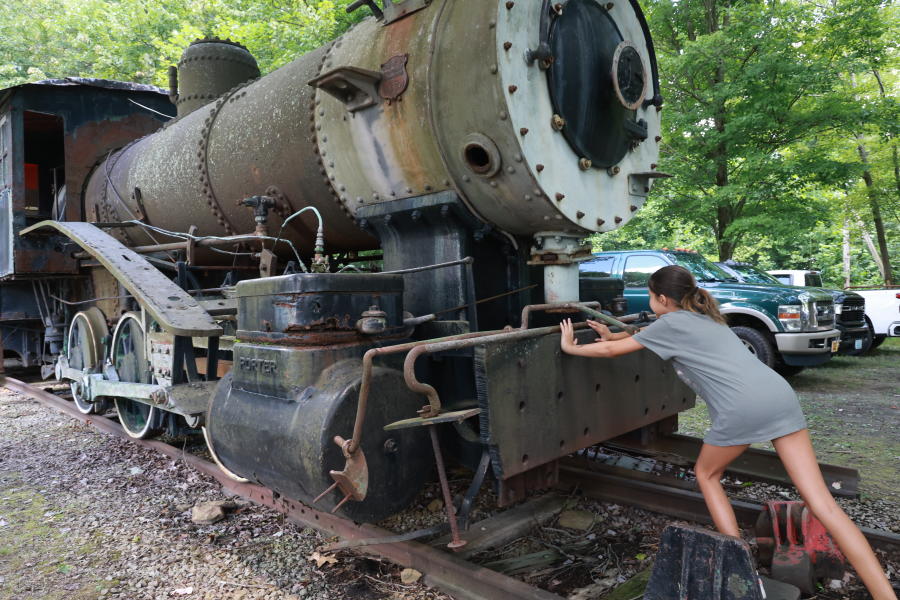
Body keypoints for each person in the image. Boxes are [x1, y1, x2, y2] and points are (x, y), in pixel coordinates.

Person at [558, 265, 896, 599]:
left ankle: (741, 572)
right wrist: (613, 333)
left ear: (662, 298)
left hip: (742, 408)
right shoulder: (705, 318)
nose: (650, 303)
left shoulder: (670, 323)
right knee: (824, 504)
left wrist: (573, 347)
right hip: (779, 397)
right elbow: (637, 338)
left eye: (650, 297)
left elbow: (611, 351)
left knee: (707, 475)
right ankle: (884, 594)